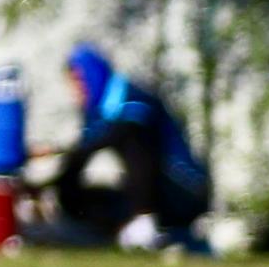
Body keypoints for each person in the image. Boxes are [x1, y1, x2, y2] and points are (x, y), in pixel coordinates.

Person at [47, 44, 212, 250]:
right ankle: (105, 231)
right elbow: (84, 149)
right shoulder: (96, 112)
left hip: (184, 187)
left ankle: (143, 223)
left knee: (130, 137)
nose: (77, 91)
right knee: (74, 170)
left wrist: (76, 152)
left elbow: (123, 132)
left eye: (80, 81)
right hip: (152, 192)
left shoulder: (133, 96)